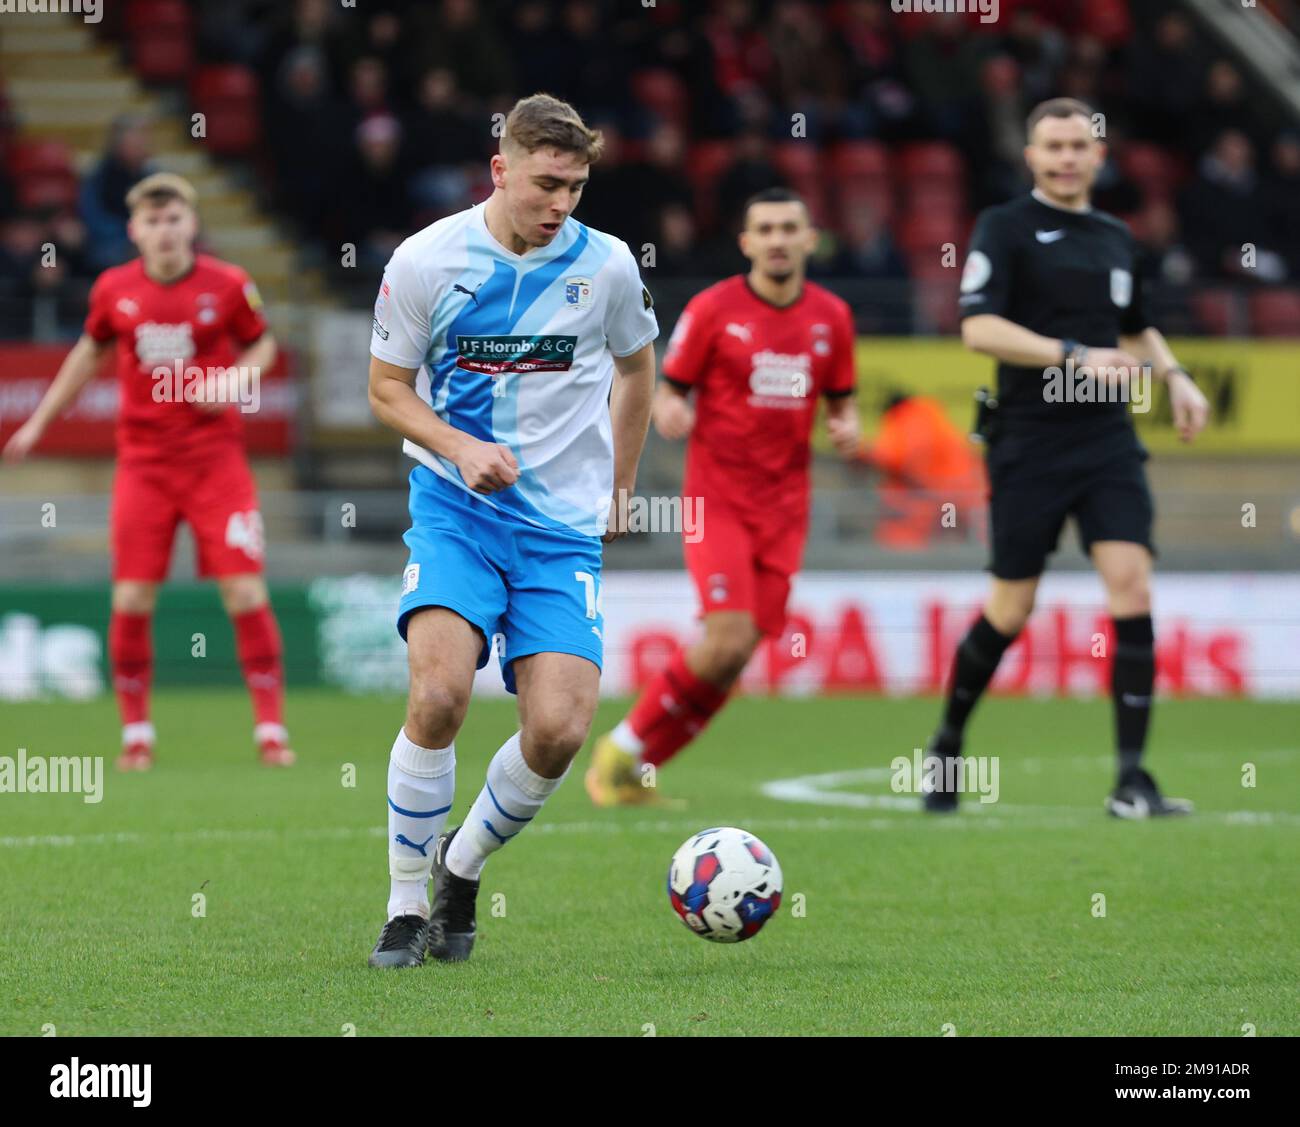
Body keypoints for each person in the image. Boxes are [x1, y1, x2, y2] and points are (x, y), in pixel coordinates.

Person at [365, 93, 657, 968]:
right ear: (500, 170)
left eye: (574, 186)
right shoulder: (427, 260)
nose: (561, 204)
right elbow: (385, 389)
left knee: (562, 728)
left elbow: (639, 370)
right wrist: (460, 446)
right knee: (439, 696)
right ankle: (406, 906)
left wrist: (623, 488)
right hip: (457, 509)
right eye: (545, 184)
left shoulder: (604, 268)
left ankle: (462, 865)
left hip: (562, 529)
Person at [926, 97, 1210, 818]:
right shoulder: (1004, 227)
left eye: (1079, 144)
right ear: (1031, 156)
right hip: (1030, 437)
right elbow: (978, 327)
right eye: (1052, 146)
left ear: (1098, 153)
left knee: (1133, 587)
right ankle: (948, 745)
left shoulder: (1117, 235)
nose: (1066, 157)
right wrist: (1074, 355)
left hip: (1108, 440)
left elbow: (1137, 325)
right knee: (1012, 605)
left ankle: (1130, 779)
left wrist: (1176, 378)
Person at [4, 173, 293, 771]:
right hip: (143, 466)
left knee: (243, 590)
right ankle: (137, 734)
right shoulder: (114, 290)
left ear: (191, 224)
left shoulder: (230, 284)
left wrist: (238, 379)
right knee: (133, 598)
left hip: (216, 464)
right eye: (153, 222)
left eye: (174, 219)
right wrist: (37, 423)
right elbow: (87, 354)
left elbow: (262, 346)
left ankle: (270, 727)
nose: (164, 231)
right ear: (134, 230)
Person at [586, 187, 861, 806]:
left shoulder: (832, 318)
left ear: (809, 238)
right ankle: (621, 750)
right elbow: (668, 385)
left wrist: (848, 425)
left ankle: (637, 766)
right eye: (765, 229)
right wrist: (673, 409)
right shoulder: (714, 310)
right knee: (728, 638)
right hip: (720, 501)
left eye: (790, 227)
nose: (778, 239)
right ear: (747, 243)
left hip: (787, 508)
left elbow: (843, 401)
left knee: (735, 658)